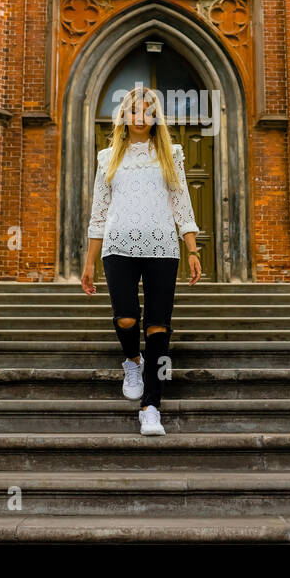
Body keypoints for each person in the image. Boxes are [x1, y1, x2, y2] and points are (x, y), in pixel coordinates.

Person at [81, 86, 202, 436]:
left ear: (155, 118)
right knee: (126, 318)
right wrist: (89, 263)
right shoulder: (108, 158)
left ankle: (151, 407)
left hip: (163, 248)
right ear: (124, 115)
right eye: (134, 109)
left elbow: (182, 204)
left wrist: (192, 249)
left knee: (158, 327)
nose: (140, 116)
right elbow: (98, 214)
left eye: (147, 110)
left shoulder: (171, 154)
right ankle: (133, 359)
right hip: (117, 248)